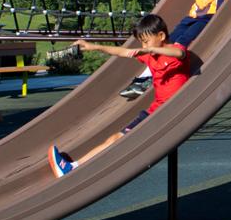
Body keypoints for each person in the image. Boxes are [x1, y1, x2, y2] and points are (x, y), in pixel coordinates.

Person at [49, 14, 191, 178]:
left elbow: (179, 53)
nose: (144, 46)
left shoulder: (175, 52)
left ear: (161, 36)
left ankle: (73, 168)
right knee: (115, 138)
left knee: (118, 140)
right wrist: (93, 46)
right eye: (142, 42)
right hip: (154, 111)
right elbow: (123, 51)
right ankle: (73, 167)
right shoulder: (149, 55)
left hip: (167, 112)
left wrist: (151, 49)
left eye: (146, 41)